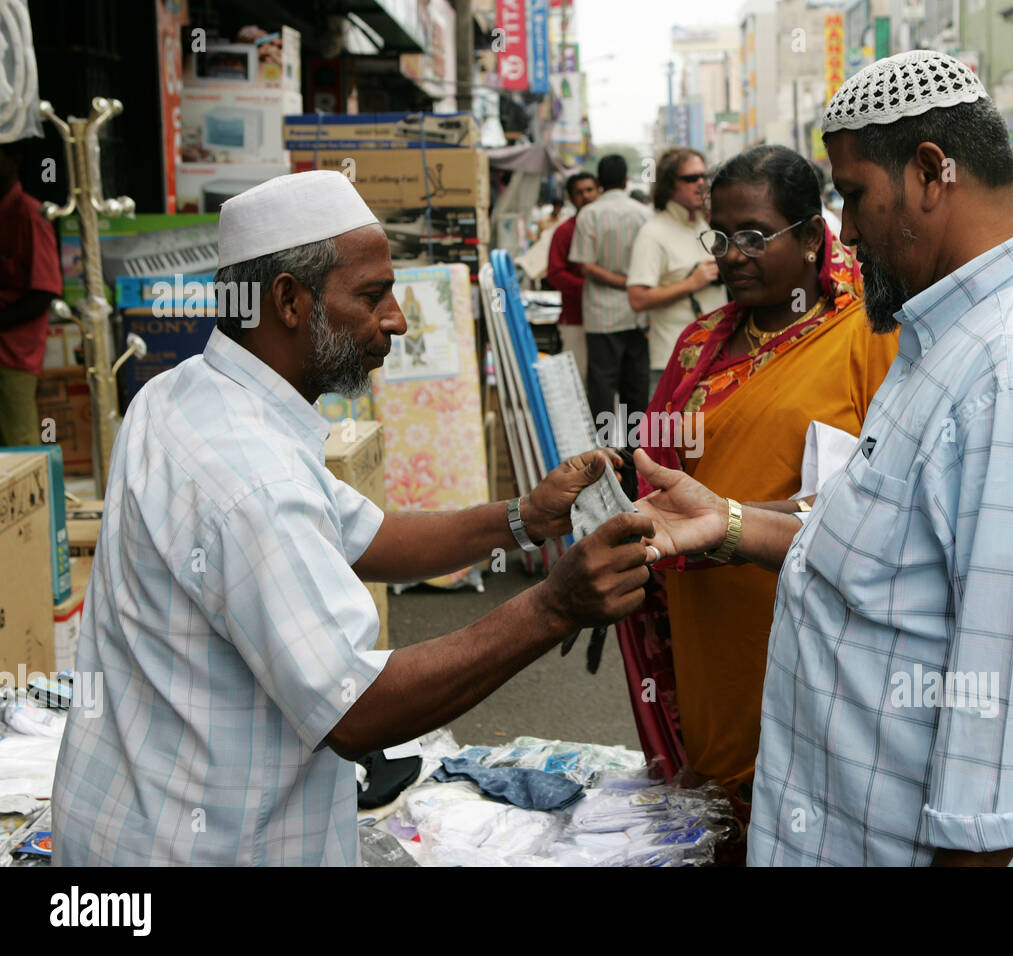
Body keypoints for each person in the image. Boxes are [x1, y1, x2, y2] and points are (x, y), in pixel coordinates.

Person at [632, 50, 1013, 866]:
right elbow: (891, 557)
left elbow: (1000, 768)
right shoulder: (942, 342)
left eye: (853, 196)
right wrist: (730, 523)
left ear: (930, 173)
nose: (842, 231)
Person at [51, 171, 656, 865]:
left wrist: (525, 516)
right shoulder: (252, 475)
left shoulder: (182, 393)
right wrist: (556, 605)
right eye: (372, 296)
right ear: (286, 300)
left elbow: (368, 536)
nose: (397, 318)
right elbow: (357, 710)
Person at [616, 145, 898, 809]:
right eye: (721, 236)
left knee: (798, 800)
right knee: (716, 805)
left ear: (808, 238)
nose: (731, 255)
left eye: (753, 236)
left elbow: (879, 492)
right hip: (703, 620)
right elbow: (660, 469)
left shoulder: (864, 336)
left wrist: (733, 520)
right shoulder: (697, 345)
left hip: (798, 612)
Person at [626, 147, 727, 398]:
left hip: (716, 355)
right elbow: (637, 298)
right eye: (691, 178)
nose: (701, 183)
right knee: (668, 437)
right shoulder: (653, 234)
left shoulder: (706, 225)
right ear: (669, 185)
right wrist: (691, 283)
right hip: (673, 360)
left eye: (704, 176)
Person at [569, 154, 653, 446]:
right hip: (637, 312)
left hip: (601, 315)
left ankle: (603, 456)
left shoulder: (588, 214)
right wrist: (631, 283)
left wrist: (619, 282)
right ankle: (636, 456)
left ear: (600, 183)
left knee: (602, 389)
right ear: (626, 180)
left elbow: (586, 266)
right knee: (635, 387)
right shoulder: (644, 213)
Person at [0, 141, 62, 446]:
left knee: (19, 447)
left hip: (13, 355)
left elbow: (43, 293)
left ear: (13, 161)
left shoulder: (31, 215)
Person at [546, 170, 601, 379]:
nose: (585, 196)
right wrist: (588, 289)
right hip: (576, 319)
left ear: (599, 191)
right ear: (570, 197)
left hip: (611, 320)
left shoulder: (606, 226)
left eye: (590, 190)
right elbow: (555, 272)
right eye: (579, 192)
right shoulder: (564, 231)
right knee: (579, 378)